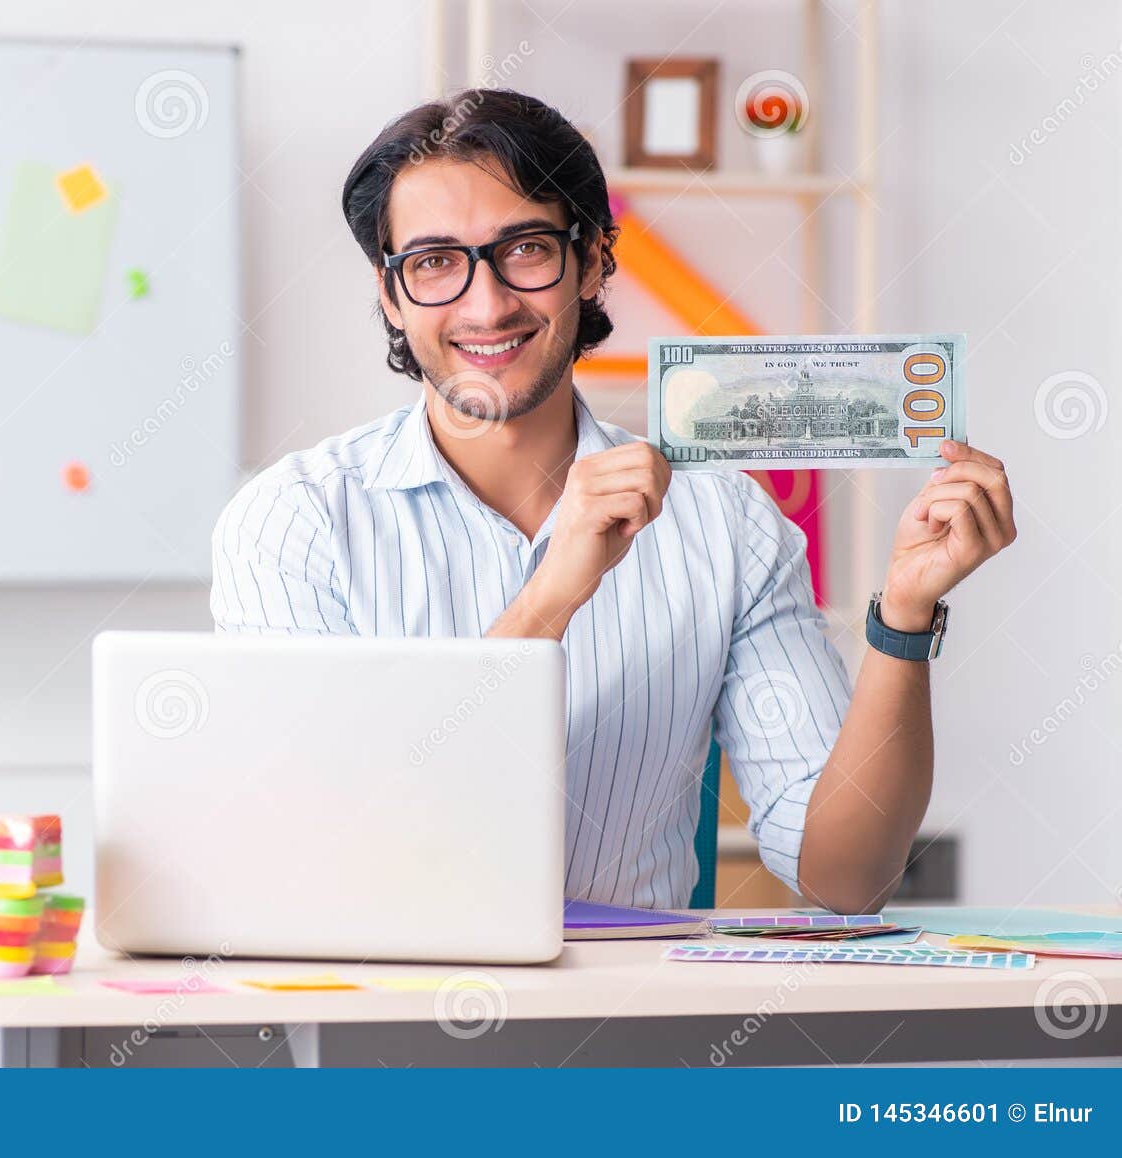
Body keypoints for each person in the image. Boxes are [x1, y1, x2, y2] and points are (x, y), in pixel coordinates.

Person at [210, 90, 1015, 913]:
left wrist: (905, 619)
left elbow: (847, 879)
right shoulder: (295, 522)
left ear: (593, 260)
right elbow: (324, 853)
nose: (486, 306)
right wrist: (551, 598)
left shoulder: (726, 525)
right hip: (378, 1024)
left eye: (525, 249)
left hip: (635, 1026)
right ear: (389, 294)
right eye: (434, 263)